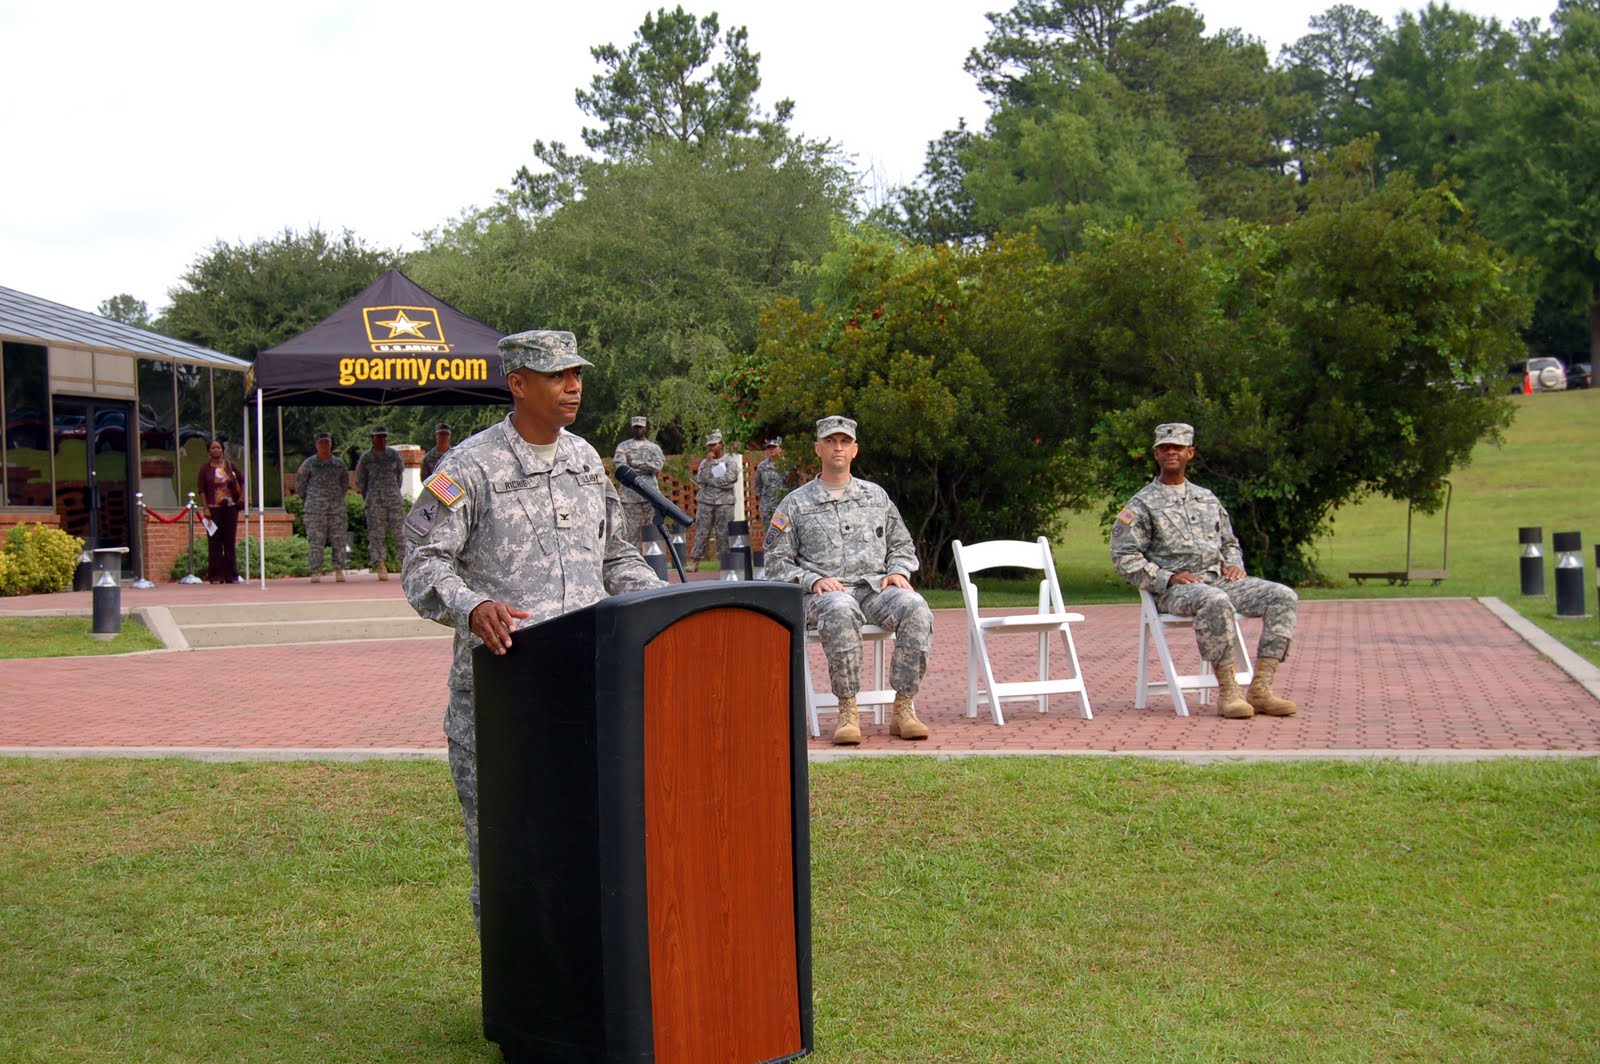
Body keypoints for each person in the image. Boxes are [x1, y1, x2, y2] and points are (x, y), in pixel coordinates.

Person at [401, 329, 663, 928]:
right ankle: (517, 980)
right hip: (504, 698)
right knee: (508, 859)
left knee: (591, 850)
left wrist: (662, 605)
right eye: (556, 375)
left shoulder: (585, 460)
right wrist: (472, 606)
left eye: (577, 374)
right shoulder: (467, 466)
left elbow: (616, 556)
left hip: (589, 690)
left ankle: (583, 977)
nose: (573, 386)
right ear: (518, 384)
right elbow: (421, 562)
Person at [1109, 422, 1299, 719]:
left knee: (1283, 596)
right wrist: (1167, 577)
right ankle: (1229, 692)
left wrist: (1234, 564)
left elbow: (1229, 542)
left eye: (1178, 447)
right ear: (1156, 455)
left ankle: (1261, 689)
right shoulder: (1141, 504)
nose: (1171, 452)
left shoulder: (1207, 498)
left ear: (1190, 453)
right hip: (1175, 590)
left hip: (1219, 579)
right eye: (1164, 448)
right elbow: (1124, 556)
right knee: (1215, 600)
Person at [764, 415, 933, 744]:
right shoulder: (795, 503)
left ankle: (904, 708)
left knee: (915, 606)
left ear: (855, 450)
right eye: (830, 441)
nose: (837, 448)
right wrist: (812, 580)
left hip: (874, 590)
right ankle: (848, 710)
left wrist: (898, 570)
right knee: (841, 608)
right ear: (818, 449)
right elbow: (774, 563)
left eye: (844, 442)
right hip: (823, 597)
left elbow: (902, 544)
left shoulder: (876, 496)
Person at [294, 432, 349, 583]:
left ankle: (339, 570)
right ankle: (316, 571)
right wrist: (311, 499)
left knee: (339, 540)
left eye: (327, 443)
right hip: (315, 509)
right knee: (316, 541)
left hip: (336, 509)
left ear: (330, 445)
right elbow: (300, 484)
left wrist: (336, 498)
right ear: (317, 445)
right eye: (321, 443)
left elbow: (344, 484)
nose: (324, 446)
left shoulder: (339, 464)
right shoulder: (309, 464)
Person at [355, 425, 405, 580]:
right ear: (372, 439)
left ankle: (405, 563)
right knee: (376, 535)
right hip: (374, 501)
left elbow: (399, 477)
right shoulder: (366, 458)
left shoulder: (393, 455)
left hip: (393, 500)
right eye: (378, 437)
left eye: (384, 437)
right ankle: (380, 565)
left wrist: (393, 492)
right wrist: (369, 496)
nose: (381, 440)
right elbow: (361, 480)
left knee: (401, 533)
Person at [612, 414, 666, 549]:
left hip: (650, 494)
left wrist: (635, 463)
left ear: (645, 428)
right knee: (630, 532)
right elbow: (621, 467)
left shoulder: (654, 448)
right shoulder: (623, 446)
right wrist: (646, 467)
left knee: (654, 530)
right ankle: (633, 559)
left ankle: (654, 559)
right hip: (629, 496)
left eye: (640, 427)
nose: (638, 430)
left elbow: (657, 466)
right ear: (632, 428)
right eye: (635, 427)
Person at [197, 437, 244, 584]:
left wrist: (242, 497)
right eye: (213, 448)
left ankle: (232, 575)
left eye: (218, 447)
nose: (216, 450)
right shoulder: (205, 469)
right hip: (213, 509)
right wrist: (205, 507)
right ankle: (216, 575)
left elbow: (242, 480)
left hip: (230, 508)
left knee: (229, 540)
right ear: (208, 451)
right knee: (214, 541)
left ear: (222, 450)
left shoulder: (230, 466)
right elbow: (202, 490)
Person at [689, 429, 738, 570]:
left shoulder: (729, 461)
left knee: (723, 533)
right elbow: (700, 478)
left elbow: (730, 478)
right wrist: (709, 463)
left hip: (725, 503)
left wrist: (710, 481)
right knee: (702, 532)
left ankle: (724, 563)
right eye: (710, 445)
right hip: (706, 502)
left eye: (714, 444)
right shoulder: (705, 462)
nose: (712, 448)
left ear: (721, 444)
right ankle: (695, 561)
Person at [754, 436, 788, 530]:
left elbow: (793, 485)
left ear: (780, 448)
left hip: (781, 508)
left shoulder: (787, 465)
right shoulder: (762, 466)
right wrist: (764, 499)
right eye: (769, 448)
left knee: (782, 533)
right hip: (767, 508)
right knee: (768, 533)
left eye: (774, 447)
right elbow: (758, 485)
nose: (771, 450)